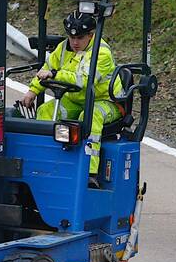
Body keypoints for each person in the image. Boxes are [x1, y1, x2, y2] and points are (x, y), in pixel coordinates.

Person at [18, 10, 121, 186]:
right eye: (72, 37)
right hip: (76, 100)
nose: (74, 42)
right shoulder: (63, 48)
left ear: (91, 35)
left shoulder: (101, 53)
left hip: (106, 102)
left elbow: (84, 80)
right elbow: (47, 68)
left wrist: (55, 74)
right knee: (46, 111)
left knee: (89, 116)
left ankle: (90, 172)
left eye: (80, 38)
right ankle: (45, 163)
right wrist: (32, 91)